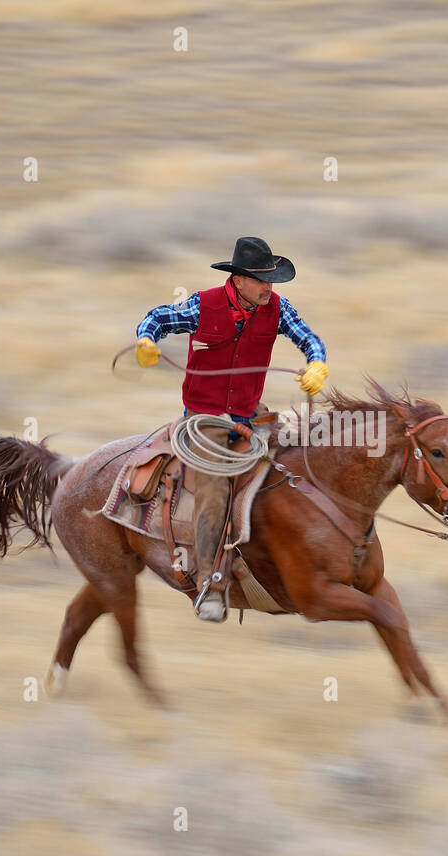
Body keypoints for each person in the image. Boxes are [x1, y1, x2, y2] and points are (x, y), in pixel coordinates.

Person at [133, 237, 328, 621]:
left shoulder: (277, 308)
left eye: (272, 280)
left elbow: (309, 338)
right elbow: (157, 318)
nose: (269, 288)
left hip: (249, 412)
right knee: (214, 485)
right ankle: (210, 582)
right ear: (238, 280)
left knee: (295, 459)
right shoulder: (202, 305)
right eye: (261, 280)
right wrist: (146, 339)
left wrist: (317, 363)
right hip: (203, 417)